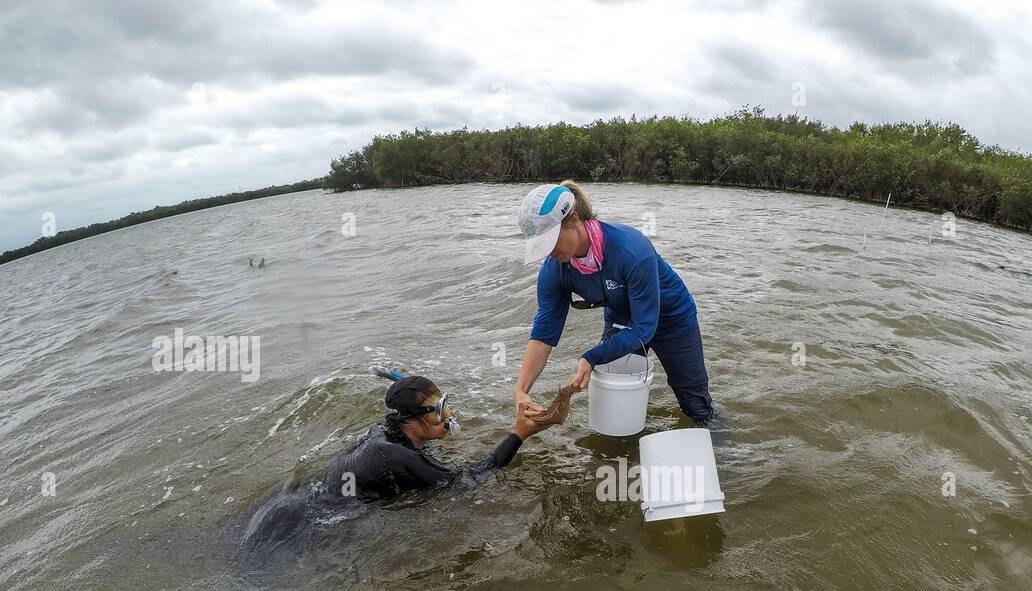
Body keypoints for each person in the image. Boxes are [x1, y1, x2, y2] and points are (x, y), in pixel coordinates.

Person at [239, 374, 552, 552]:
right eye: (438, 409)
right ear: (411, 421)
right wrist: (518, 434)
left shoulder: (388, 432)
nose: (448, 415)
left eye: (444, 403)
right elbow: (467, 483)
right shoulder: (398, 455)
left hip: (292, 503)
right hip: (305, 525)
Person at [513, 181, 717, 425]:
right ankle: (623, 456)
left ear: (574, 219)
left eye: (551, 241)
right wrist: (521, 389)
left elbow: (644, 329)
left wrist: (591, 356)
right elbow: (544, 333)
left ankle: (720, 450)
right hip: (622, 322)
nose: (548, 252)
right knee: (612, 408)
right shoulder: (555, 270)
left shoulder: (631, 248)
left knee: (696, 405)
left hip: (672, 321)